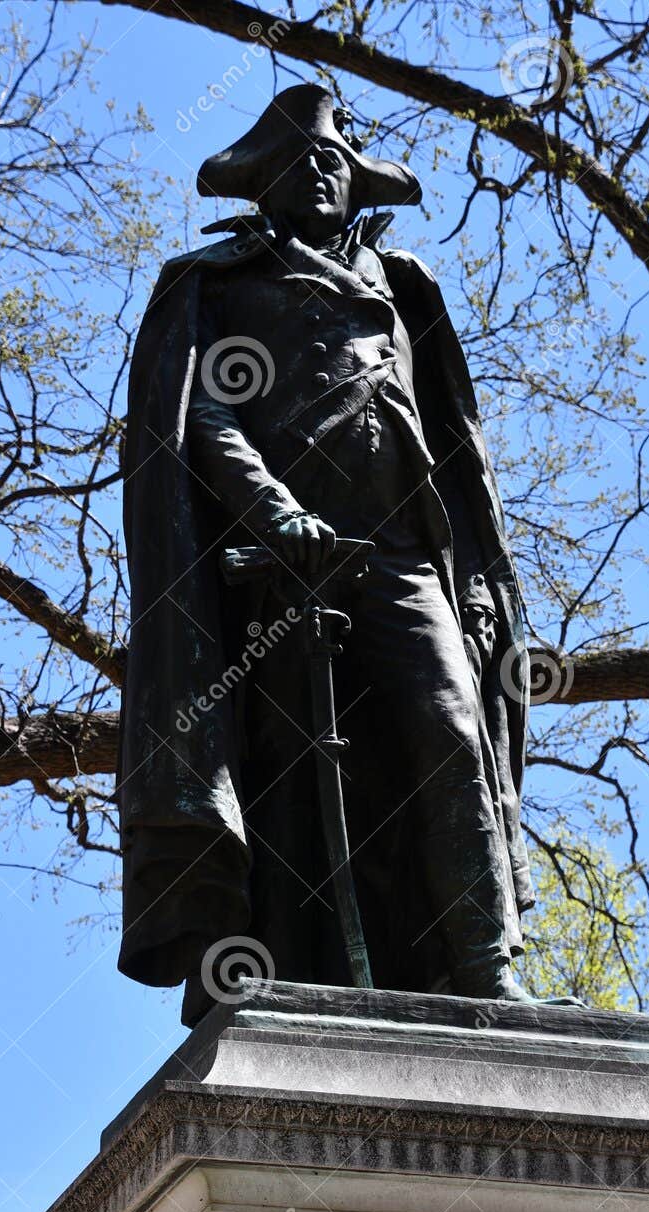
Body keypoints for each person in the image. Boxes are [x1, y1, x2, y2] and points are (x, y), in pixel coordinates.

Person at [117, 85, 536, 1023]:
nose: (318, 172)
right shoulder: (217, 283)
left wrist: (475, 578)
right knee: (293, 777)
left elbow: (456, 446)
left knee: (452, 732)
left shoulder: (404, 285)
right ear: (261, 181)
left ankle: (484, 965)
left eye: (334, 162)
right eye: (297, 161)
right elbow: (199, 414)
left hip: (405, 558)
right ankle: (281, 977)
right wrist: (275, 513)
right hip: (284, 573)